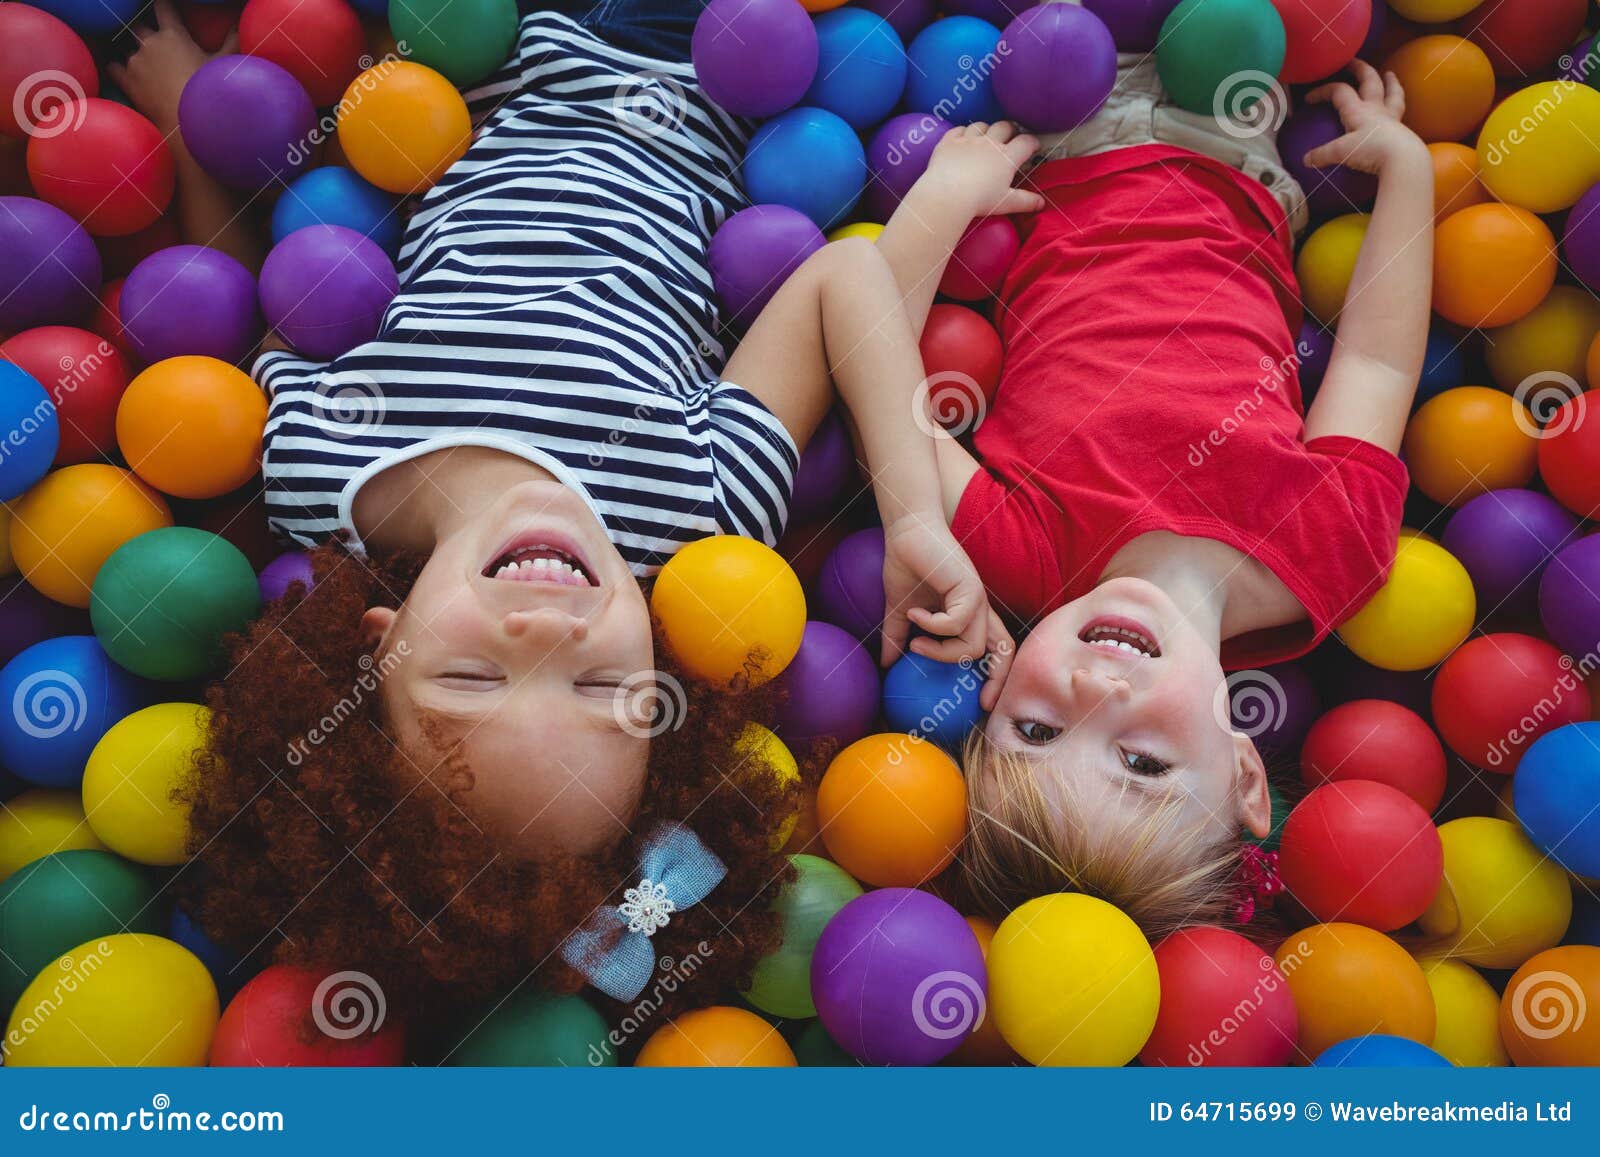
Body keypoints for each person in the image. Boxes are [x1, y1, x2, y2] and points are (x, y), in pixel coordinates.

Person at [113, 0, 1001, 1013]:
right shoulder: (700, 512)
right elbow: (844, 273)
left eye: (471, 674)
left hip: (471, 46)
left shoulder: (313, 470)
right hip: (712, 59)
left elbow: (251, 293)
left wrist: (195, 120)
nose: (546, 629)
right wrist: (916, 515)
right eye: (601, 690)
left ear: (379, 643)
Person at [872, 58, 1431, 935]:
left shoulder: (1016, 550)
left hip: (1053, 132)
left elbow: (875, 360)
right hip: (1238, 144)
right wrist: (1408, 170)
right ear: (1246, 773)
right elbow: (1375, 362)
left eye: (1038, 731)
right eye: (1141, 760)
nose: (1096, 686)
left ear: (997, 691)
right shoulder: (1330, 552)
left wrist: (946, 198)